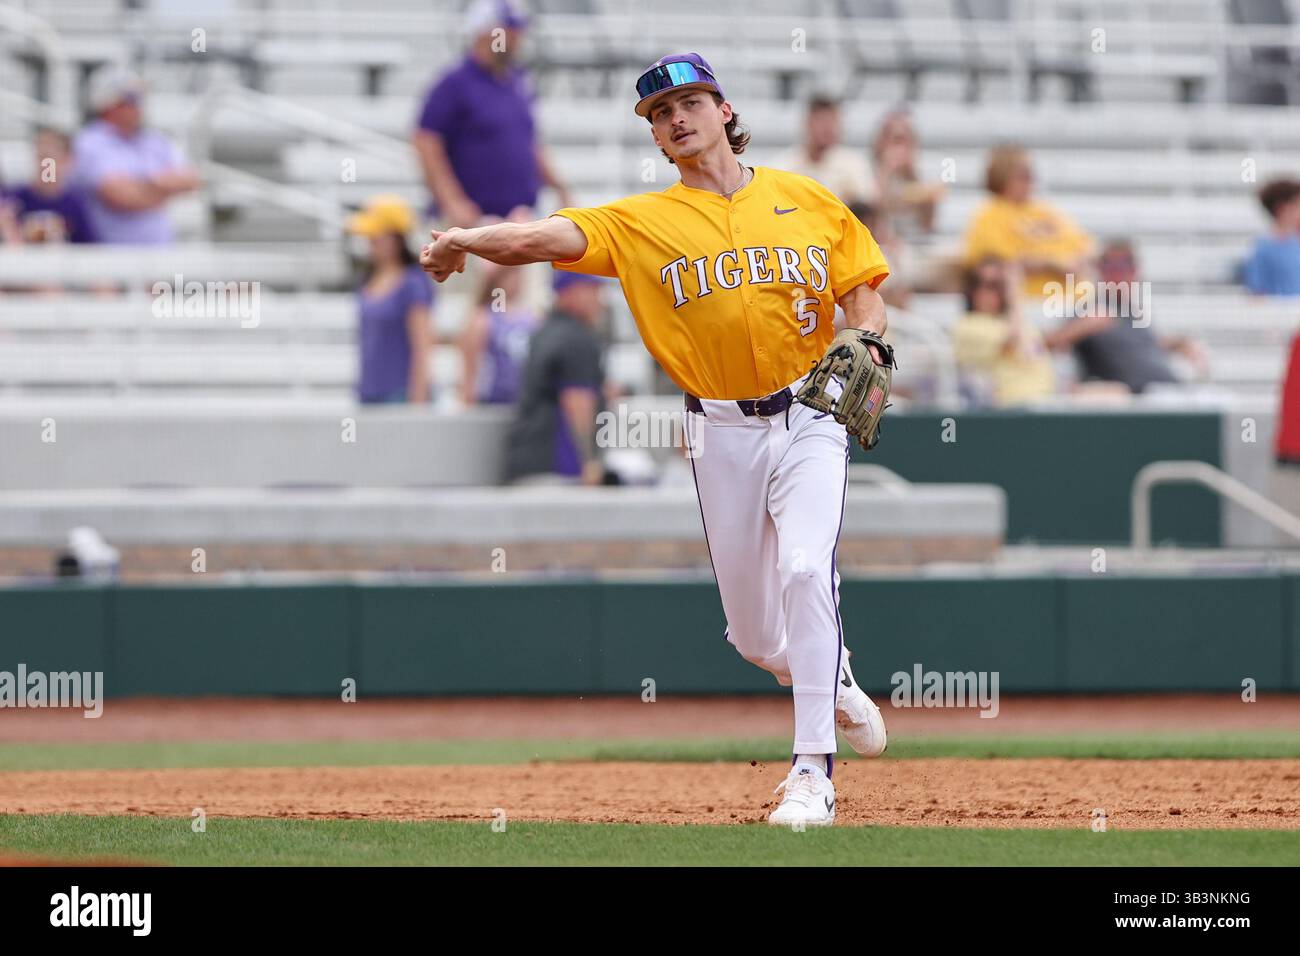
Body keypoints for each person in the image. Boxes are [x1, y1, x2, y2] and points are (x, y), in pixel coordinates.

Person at [420, 52, 891, 827]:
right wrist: (465, 238)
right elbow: (542, 238)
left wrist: (870, 341)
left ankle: (812, 773)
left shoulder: (809, 200)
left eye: (690, 102)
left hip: (811, 412)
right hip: (718, 430)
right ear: (658, 137)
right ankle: (829, 678)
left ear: (723, 107)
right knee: (752, 637)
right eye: (660, 113)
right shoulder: (642, 222)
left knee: (808, 568)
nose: (677, 118)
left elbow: (865, 300)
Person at [412, 0, 570, 227]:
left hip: (520, 218)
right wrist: (452, 201)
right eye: (510, 31)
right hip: (475, 222)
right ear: (485, 32)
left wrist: (559, 186)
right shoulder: (455, 84)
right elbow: (426, 141)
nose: (518, 38)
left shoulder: (517, 80)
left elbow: (529, 141)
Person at [1046, 240, 1207, 393]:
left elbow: (1146, 345)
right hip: (1131, 398)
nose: (1118, 273)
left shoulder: (1132, 310)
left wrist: (1180, 343)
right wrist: (1081, 327)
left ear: (1135, 271)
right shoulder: (1090, 308)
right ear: (1100, 271)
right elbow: (1046, 345)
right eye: (1110, 266)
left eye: (1125, 265)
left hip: (1167, 390)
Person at [71, 69, 199, 244]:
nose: (139, 106)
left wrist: (147, 184)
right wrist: (163, 189)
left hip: (160, 257)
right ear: (108, 104)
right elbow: (120, 197)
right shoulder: (90, 141)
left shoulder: (154, 139)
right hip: (111, 259)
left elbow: (191, 179)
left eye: (140, 98)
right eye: (131, 99)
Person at [504, 272, 608, 485]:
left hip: (526, 465)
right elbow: (577, 402)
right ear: (570, 291)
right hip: (558, 471)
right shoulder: (575, 337)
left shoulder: (543, 331)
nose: (599, 299)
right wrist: (589, 462)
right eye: (592, 290)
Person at [964, 144, 1092, 298]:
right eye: (1023, 175)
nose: (1031, 180)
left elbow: (1084, 246)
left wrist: (1076, 261)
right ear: (1002, 175)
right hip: (1024, 303)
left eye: (1031, 174)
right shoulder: (988, 215)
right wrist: (1052, 264)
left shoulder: (1045, 211)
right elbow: (999, 262)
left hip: (1071, 300)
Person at [348, 195, 435, 404]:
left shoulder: (413, 283)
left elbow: (422, 348)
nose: (370, 244)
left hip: (400, 395)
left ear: (395, 239)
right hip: (369, 393)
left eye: (375, 238)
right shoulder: (366, 280)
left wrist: (418, 402)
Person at [952, 258, 1055, 406]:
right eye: (991, 285)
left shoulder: (1018, 323)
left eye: (1001, 285)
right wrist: (1015, 292)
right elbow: (1011, 342)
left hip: (1045, 404)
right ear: (973, 290)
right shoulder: (967, 325)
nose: (1000, 292)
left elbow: (1033, 355)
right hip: (1008, 409)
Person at [460, 262, 541, 405]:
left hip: (525, 406)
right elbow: (470, 375)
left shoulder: (532, 318)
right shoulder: (482, 320)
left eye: (519, 272)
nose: (518, 278)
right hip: (491, 404)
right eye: (512, 273)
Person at [771, 96, 874, 207]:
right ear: (807, 123)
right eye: (821, 121)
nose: (828, 128)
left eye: (833, 122)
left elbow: (868, 206)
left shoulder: (854, 165)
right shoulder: (783, 166)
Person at [5, 129, 97, 244]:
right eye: (41, 157)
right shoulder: (14, 199)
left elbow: (90, 246)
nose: (45, 166)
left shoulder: (75, 202)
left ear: (68, 160)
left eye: (51, 159)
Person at [870, 108, 944, 238]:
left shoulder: (922, 176)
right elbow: (870, 217)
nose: (900, 149)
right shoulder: (866, 172)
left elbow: (929, 224)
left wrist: (913, 176)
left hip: (915, 243)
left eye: (906, 141)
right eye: (896, 141)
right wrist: (886, 171)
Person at [1243, 178, 1300, 296]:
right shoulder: (1263, 248)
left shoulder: (1296, 242)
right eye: (1297, 205)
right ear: (1281, 208)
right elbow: (1256, 293)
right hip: (1278, 312)